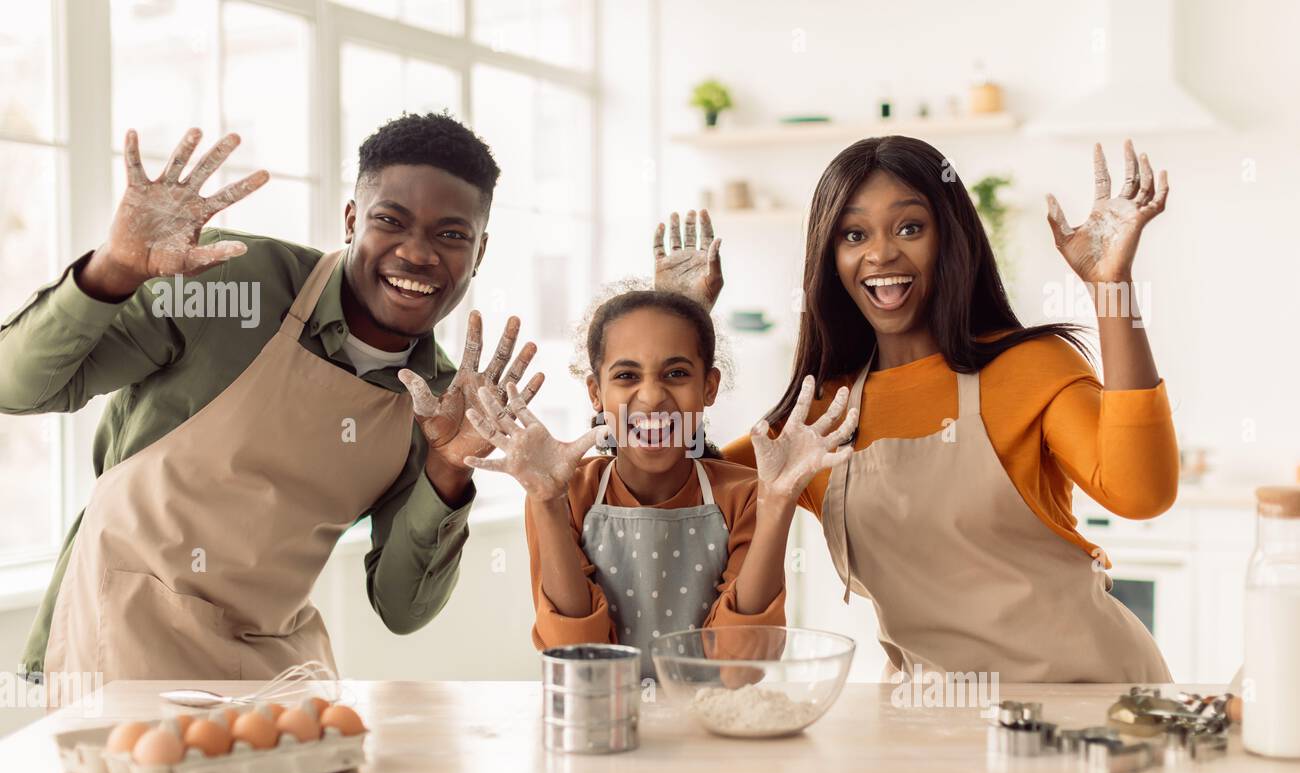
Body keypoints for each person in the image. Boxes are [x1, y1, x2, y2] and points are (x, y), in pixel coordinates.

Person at [0, 112, 540, 695]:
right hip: (122, 636)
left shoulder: (438, 408)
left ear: (479, 252)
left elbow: (402, 611)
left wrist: (448, 469)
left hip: (273, 661)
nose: (418, 254)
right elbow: (17, 387)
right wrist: (116, 268)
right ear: (352, 220)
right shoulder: (234, 283)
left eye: (451, 235)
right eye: (391, 221)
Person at [718, 136, 1177, 682]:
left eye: (910, 227)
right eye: (854, 234)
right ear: (829, 258)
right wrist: (681, 315)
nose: (882, 253)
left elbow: (1141, 493)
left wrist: (1111, 288)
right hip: (939, 722)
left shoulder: (1030, 367)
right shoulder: (819, 418)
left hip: (1089, 702)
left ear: (951, 238)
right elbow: (681, 488)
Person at [457, 277, 854, 680]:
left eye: (676, 373)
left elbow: (739, 667)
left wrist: (778, 507)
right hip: (603, 723)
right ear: (596, 393)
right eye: (627, 376)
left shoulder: (747, 496)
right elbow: (578, 660)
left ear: (709, 387)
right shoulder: (565, 490)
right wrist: (545, 501)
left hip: (712, 728)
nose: (651, 397)